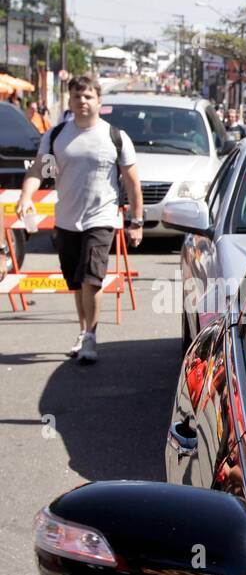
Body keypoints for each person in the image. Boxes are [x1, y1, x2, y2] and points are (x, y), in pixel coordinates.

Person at [17, 74, 143, 365]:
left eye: (88, 97)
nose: (82, 102)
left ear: (99, 101)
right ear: (70, 101)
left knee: (91, 278)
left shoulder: (115, 136)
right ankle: (83, 330)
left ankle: (91, 337)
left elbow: (132, 181)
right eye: (77, 97)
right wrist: (26, 197)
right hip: (66, 220)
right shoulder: (56, 135)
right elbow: (39, 171)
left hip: (101, 218)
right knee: (76, 281)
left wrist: (137, 221)